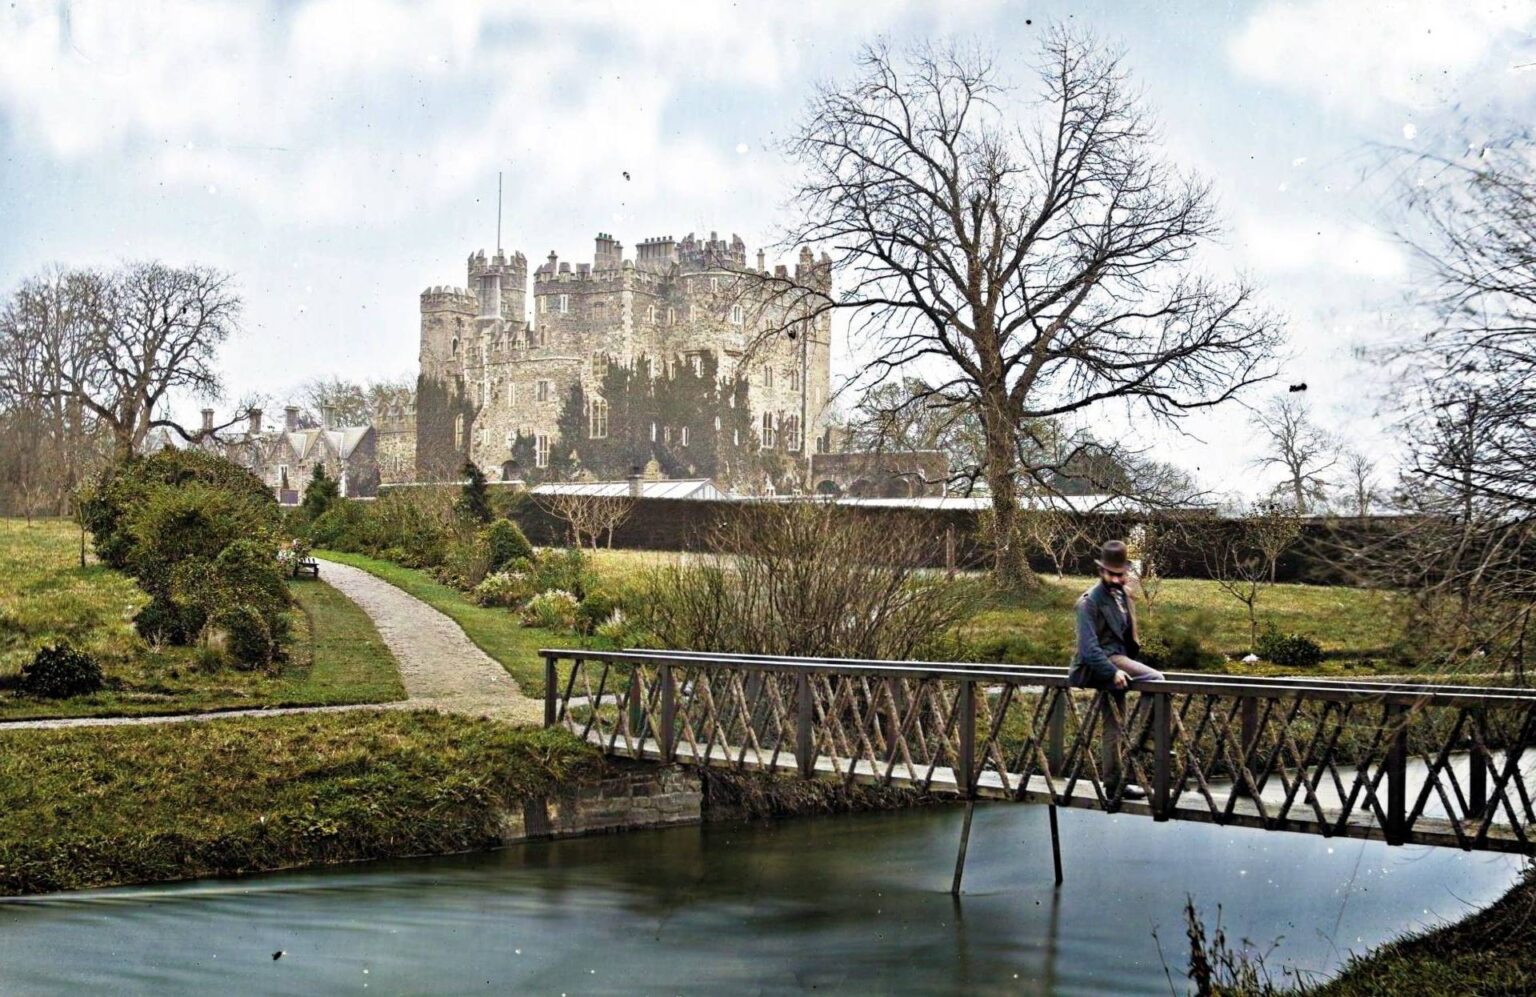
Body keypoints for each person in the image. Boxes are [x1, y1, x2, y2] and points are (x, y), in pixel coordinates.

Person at [1069, 539, 1165, 691]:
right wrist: (1112, 671)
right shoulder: (1089, 602)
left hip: (1119, 660)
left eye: (1120, 574)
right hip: (1095, 666)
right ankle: (1154, 716)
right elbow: (1088, 648)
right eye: (1111, 574)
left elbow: (1127, 636)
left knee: (1117, 712)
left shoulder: (1123, 595)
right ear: (1101, 572)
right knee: (1156, 679)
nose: (1115, 579)